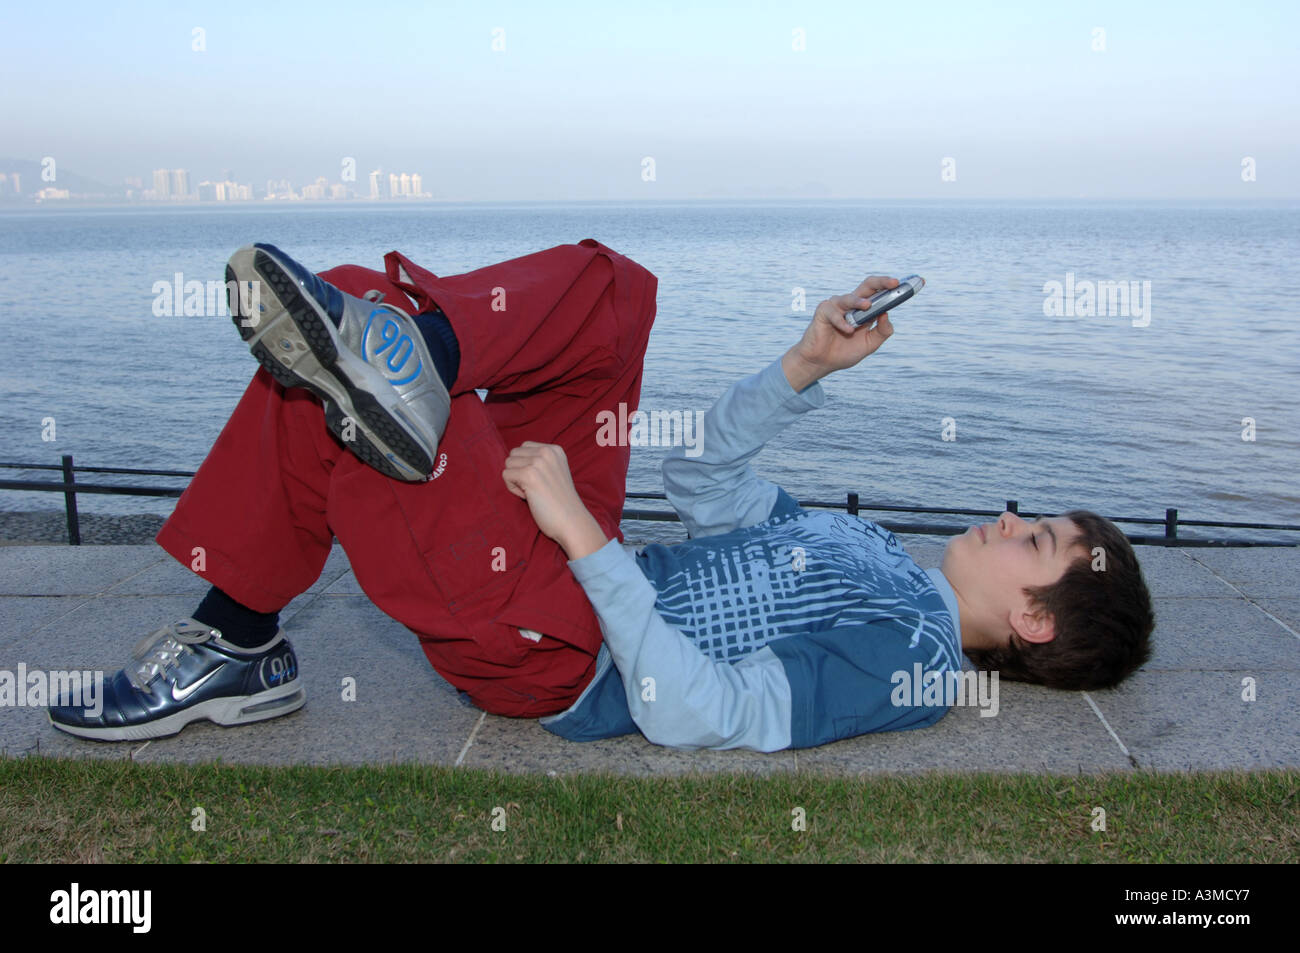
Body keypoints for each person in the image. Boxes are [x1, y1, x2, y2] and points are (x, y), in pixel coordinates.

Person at [47, 239, 1154, 751]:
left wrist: (580, 537)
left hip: (562, 647)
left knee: (378, 394)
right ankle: (419, 343)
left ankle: (238, 628)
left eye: (1038, 537)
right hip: (574, 557)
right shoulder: (864, 545)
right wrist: (803, 366)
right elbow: (702, 478)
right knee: (610, 295)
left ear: (1033, 618)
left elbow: (700, 710)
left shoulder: (913, 661)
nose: (1012, 519)